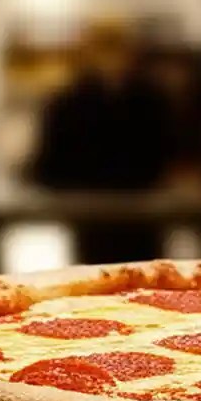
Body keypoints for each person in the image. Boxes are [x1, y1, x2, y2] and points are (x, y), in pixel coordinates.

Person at [28, 21, 170, 264]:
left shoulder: (151, 99)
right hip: (93, 219)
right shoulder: (67, 102)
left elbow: (168, 154)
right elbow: (48, 163)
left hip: (141, 218)